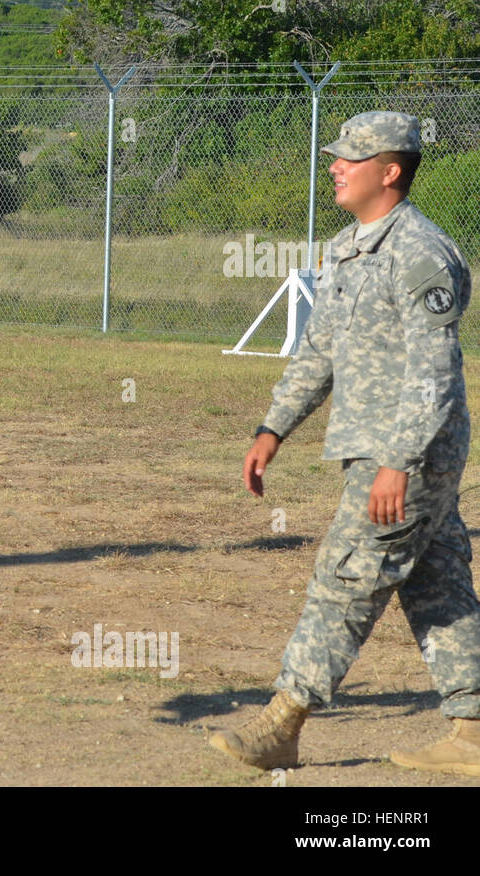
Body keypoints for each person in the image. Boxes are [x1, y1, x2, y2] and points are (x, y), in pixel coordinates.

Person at [208, 111, 480, 777]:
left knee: (345, 580)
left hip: (407, 456)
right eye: (336, 156)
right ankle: (472, 734)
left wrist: (399, 462)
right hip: (378, 453)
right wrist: (273, 428)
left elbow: (434, 372)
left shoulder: (422, 253)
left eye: (351, 158)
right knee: (438, 588)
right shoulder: (346, 248)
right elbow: (319, 348)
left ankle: (283, 725)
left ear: (390, 172)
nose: (335, 165)